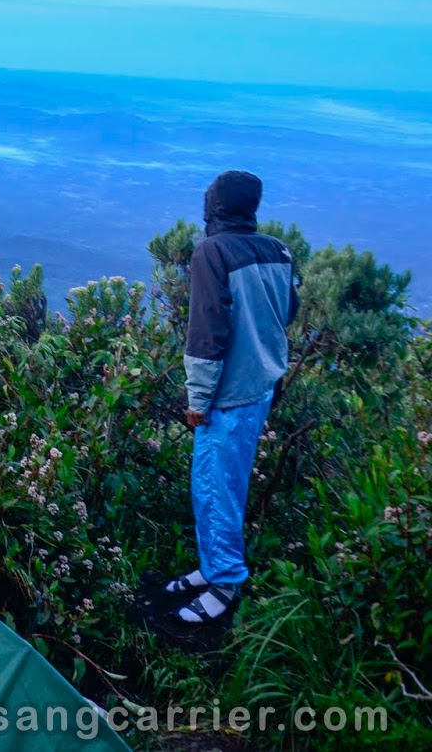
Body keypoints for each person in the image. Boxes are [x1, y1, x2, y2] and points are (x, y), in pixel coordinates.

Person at [162, 170, 299, 626]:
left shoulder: (212, 252)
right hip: (261, 386)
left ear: (215, 206)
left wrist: (197, 399)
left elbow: (207, 333)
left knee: (214, 486)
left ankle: (224, 582)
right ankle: (213, 566)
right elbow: (290, 311)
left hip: (228, 394)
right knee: (221, 483)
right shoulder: (276, 249)